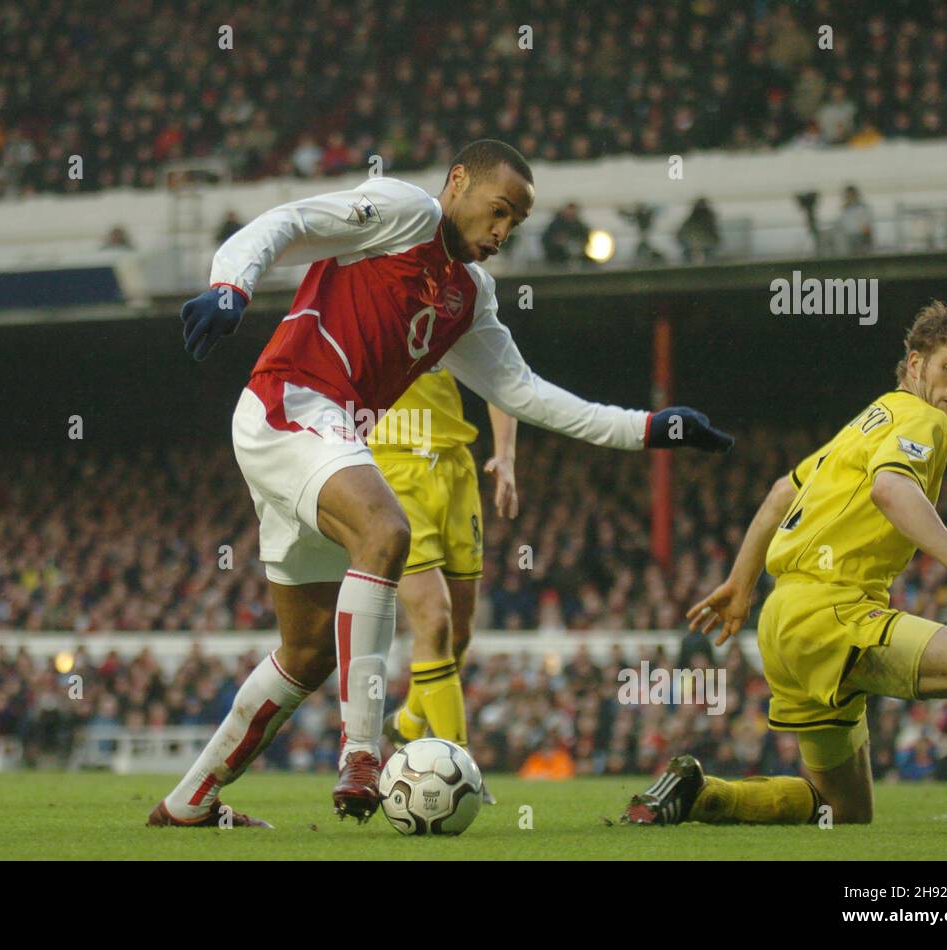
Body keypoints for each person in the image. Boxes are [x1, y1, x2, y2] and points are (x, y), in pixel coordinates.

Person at [155, 139, 733, 828]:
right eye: (498, 212)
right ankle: (363, 753)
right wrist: (233, 283)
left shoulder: (468, 298)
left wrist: (649, 428)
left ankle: (188, 802)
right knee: (386, 531)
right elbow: (287, 221)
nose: (501, 233)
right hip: (289, 406)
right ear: (458, 182)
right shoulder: (403, 211)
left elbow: (527, 394)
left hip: (320, 438)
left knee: (306, 654)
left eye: (513, 224)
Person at [623, 302, 947, 826]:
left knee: (843, 810)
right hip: (835, 611)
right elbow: (890, 487)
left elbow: (776, 495)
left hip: (782, 621)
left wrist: (741, 586)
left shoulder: (866, 422)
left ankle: (699, 794)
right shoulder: (925, 420)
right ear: (915, 363)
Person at [373, 368, 517, 807]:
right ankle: (461, 767)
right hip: (393, 468)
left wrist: (506, 455)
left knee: (459, 632)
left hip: (456, 468)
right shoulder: (369, 305)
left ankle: (408, 723)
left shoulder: (463, 305)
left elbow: (502, 373)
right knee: (433, 619)